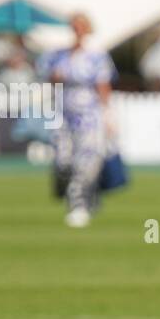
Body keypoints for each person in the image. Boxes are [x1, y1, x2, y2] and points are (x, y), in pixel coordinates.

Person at [37, 12, 117, 228]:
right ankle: (84, 193)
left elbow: (103, 86)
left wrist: (108, 116)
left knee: (86, 161)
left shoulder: (97, 56)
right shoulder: (59, 54)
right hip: (63, 112)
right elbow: (48, 79)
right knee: (63, 161)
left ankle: (79, 205)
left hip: (88, 115)